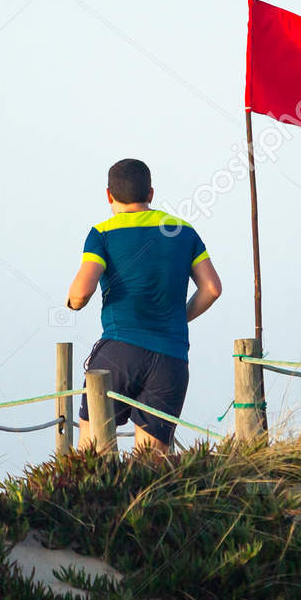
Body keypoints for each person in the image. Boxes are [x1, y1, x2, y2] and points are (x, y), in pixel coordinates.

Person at [65, 158, 222, 456]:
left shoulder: (101, 233)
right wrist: (179, 317)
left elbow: (81, 293)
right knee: (152, 465)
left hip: (120, 350)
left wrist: (72, 303)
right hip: (171, 358)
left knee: (92, 453)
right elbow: (212, 289)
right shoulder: (183, 230)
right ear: (150, 194)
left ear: (109, 196)